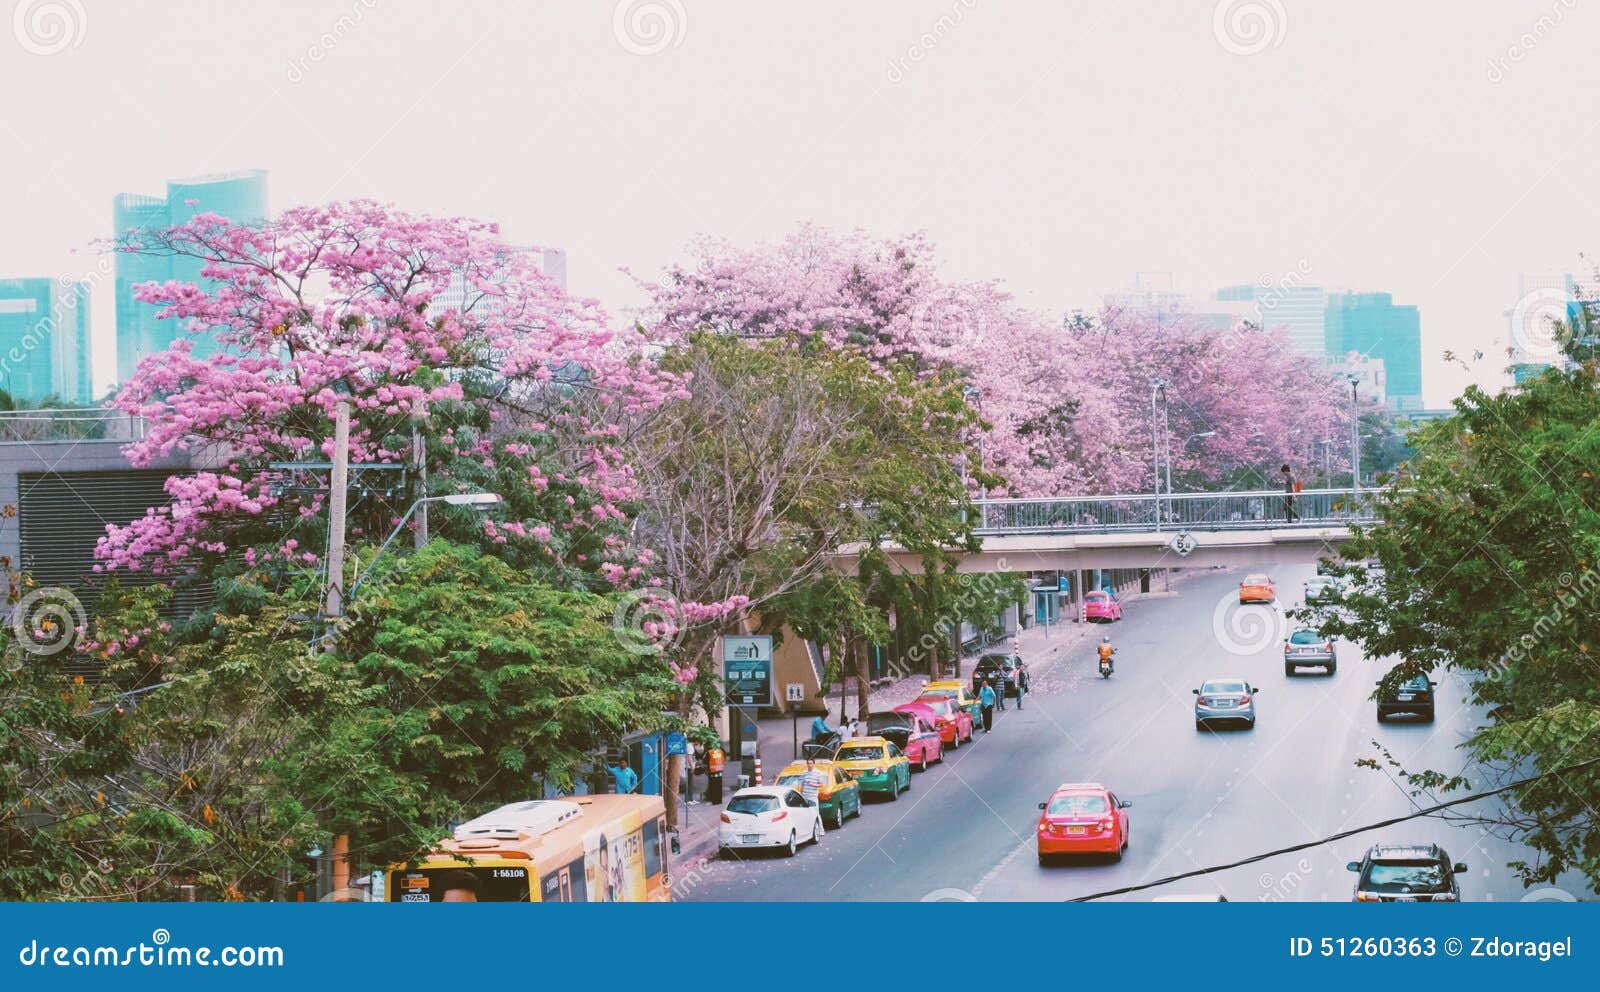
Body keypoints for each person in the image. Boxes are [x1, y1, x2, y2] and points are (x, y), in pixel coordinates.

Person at [799, 757, 827, 836]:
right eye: (808, 763)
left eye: (811, 763)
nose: (809, 765)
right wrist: (801, 794)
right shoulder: (804, 773)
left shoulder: (818, 773)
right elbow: (802, 784)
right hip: (805, 796)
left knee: (815, 813)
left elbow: (821, 784)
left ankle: (821, 830)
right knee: (805, 814)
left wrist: (813, 785)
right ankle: (808, 831)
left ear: (814, 764)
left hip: (813, 796)